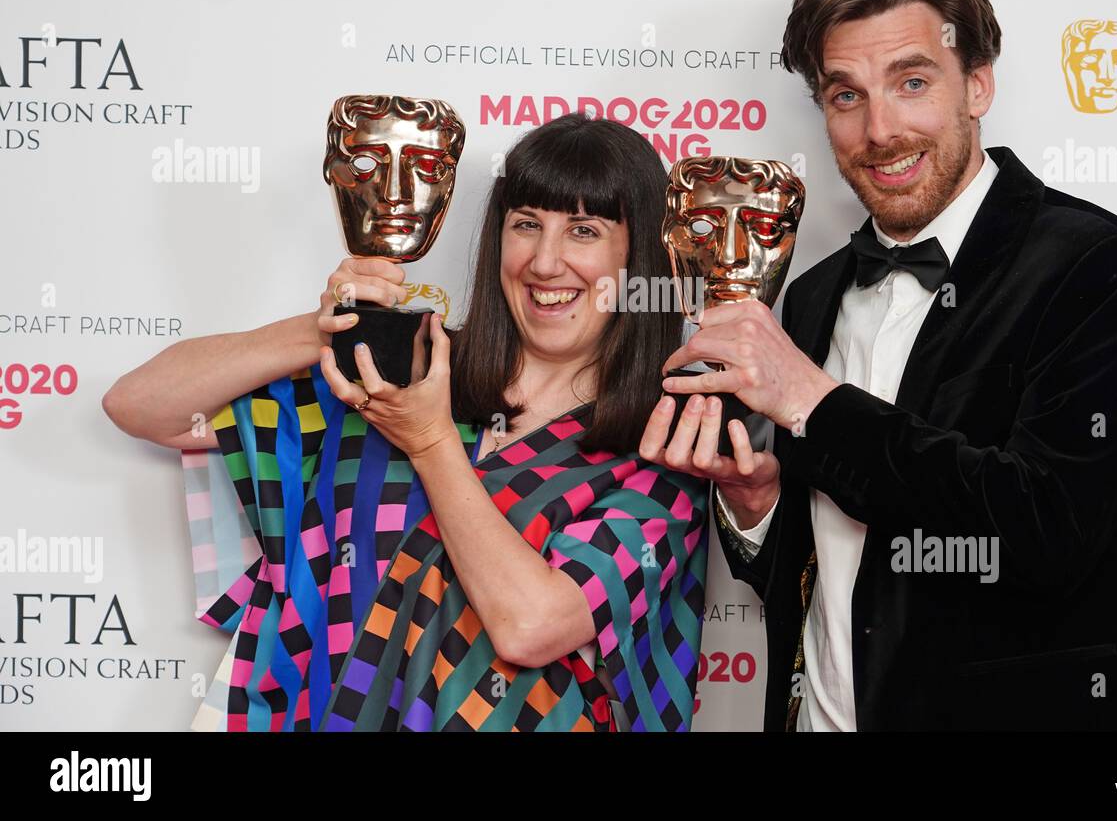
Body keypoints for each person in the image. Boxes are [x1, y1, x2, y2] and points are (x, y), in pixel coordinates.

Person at [641, 0, 1117, 731]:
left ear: (979, 83)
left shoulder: (1103, 265)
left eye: (912, 81)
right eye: (845, 95)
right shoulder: (815, 293)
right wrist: (756, 504)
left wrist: (812, 403)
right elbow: (840, 567)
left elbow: (1046, 533)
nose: (879, 130)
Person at [104, 112, 709, 732]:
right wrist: (328, 328)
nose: (545, 262)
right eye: (526, 224)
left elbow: (532, 625)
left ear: (641, 258)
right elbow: (142, 404)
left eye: (584, 231)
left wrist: (430, 441)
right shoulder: (402, 368)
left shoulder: (668, 441)